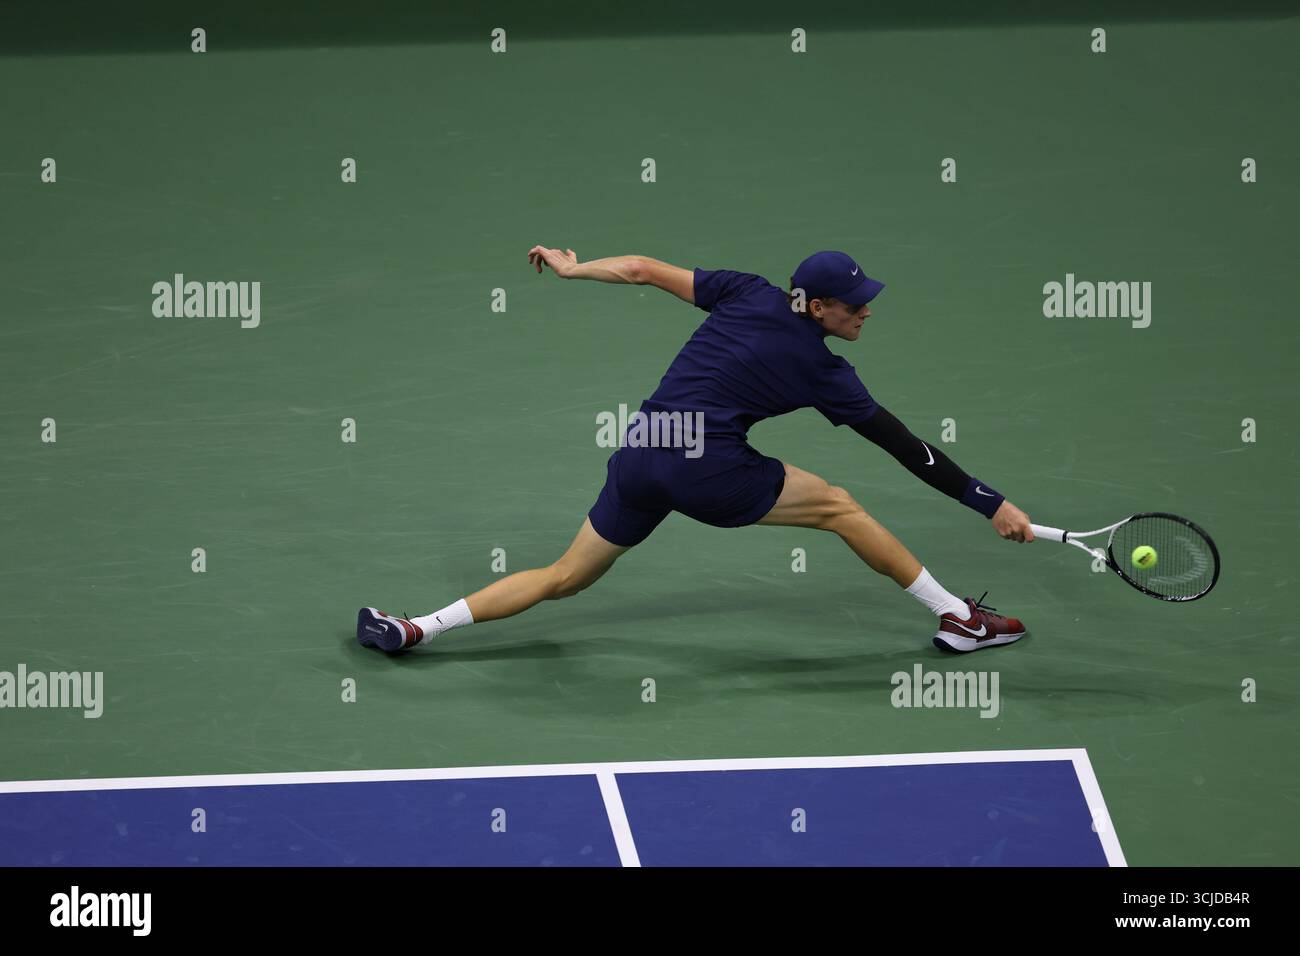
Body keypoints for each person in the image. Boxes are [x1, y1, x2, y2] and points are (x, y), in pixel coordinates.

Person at [358, 248, 1034, 656]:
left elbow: (643, 269)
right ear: (820, 307)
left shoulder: (747, 292)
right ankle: (958, 617)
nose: (865, 312)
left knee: (565, 577)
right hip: (706, 467)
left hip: (643, 448)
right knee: (840, 508)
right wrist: (989, 502)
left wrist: (573, 270)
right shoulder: (827, 374)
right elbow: (907, 449)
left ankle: (418, 627)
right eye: (853, 305)